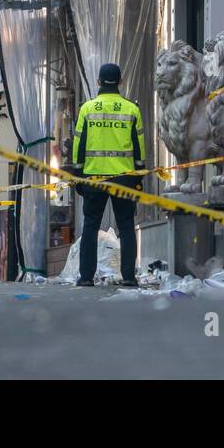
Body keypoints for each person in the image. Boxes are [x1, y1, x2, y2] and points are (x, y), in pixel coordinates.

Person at [67, 63, 145, 288]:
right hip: (124, 177)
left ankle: (86, 277)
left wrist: (78, 174)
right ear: (120, 83)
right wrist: (138, 176)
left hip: (94, 177)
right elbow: (139, 148)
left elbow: (78, 145)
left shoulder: (88, 109)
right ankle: (129, 277)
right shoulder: (131, 109)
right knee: (126, 225)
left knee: (90, 226)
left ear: (98, 82)